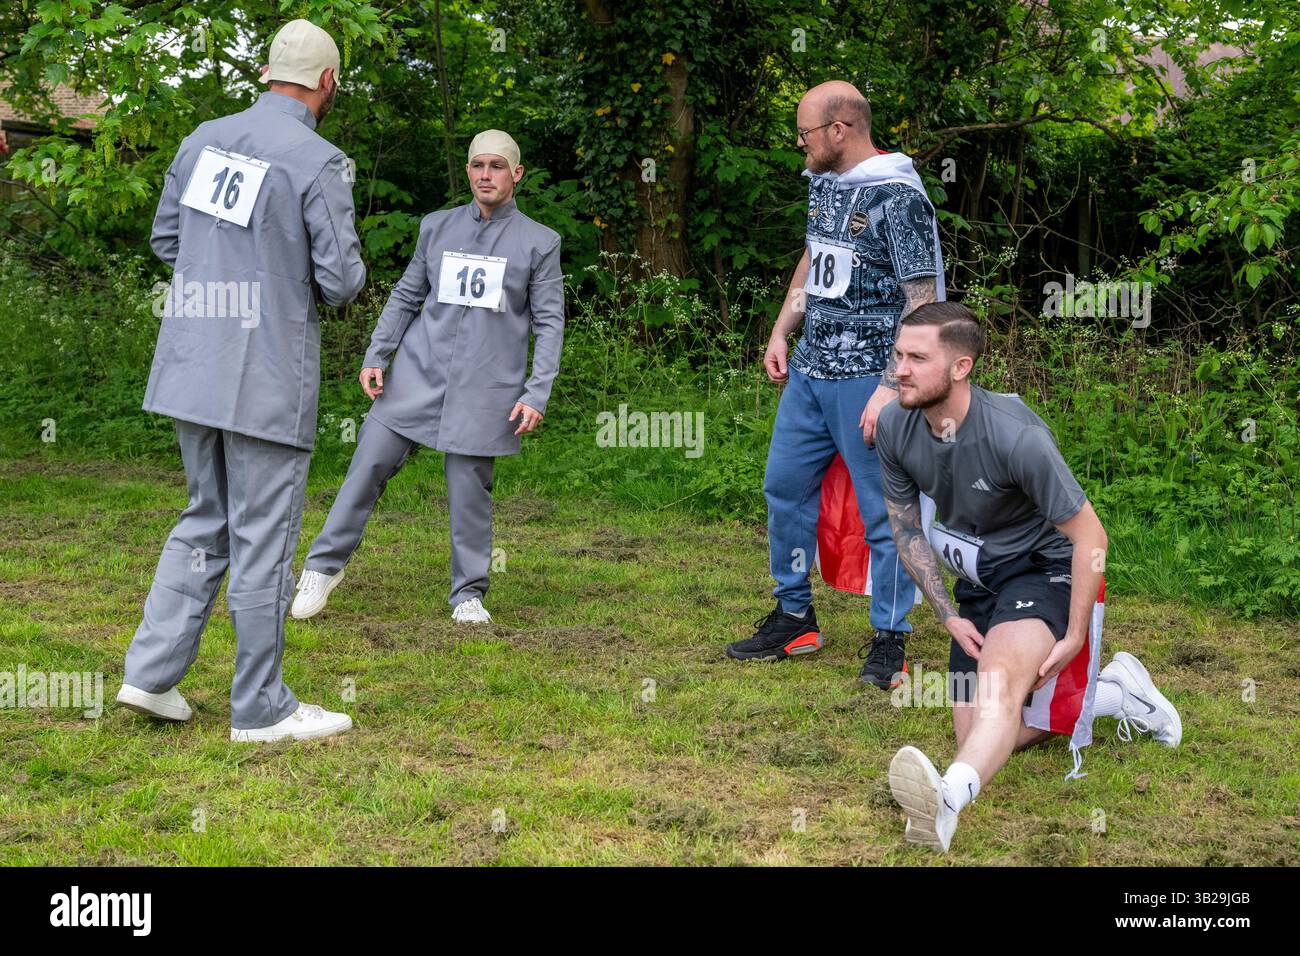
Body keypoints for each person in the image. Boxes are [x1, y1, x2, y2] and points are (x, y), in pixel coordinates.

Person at [116, 19, 367, 742]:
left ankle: (150, 676)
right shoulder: (319, 161)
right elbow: (342, 281)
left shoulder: (201, 138)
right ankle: (260, 709)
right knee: (263, 537)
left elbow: (168, 239)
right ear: (326, 82)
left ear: (266, 73)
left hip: (193, 364)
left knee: (203, 518)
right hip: (267, 377)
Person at [875, 301, 1182, 853]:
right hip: (978, 586)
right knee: (986, 734)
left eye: (917, 358)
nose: (899, 369)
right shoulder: (897, 424)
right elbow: (906, 531)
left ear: (961, 367)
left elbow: (1092, 539)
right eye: (898, 354)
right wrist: (946, 615)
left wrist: (1074, 634)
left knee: (997, 685)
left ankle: (947, 800)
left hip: (1046, 571)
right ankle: (1113, 694)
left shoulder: (1016, 436)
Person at [289, 130, 564, 624]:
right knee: (365, 470)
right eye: (477, 165)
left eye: (497, 166)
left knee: (469, 491)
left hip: (487, 388)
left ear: (516, 174)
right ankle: (323, 567)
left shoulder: (540, 243)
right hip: (414, 377)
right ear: (467, 171)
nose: (486, 174)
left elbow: (549, 324)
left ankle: (468, 594)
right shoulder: (435, 228)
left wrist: (536, 391)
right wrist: (378, 354)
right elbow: (406, 295)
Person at [726, 80, 944, 689]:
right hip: (812, 372)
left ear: (840, 131)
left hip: (870, 382)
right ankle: (794, 615)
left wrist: (887, 384)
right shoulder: (825, 182)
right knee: (784, 491)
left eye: (805, 134)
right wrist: (781, 329)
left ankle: (890, 640)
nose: (800, 145)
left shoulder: (900, 197)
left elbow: (921, 302)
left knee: (884, 511)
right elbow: (813, 255)